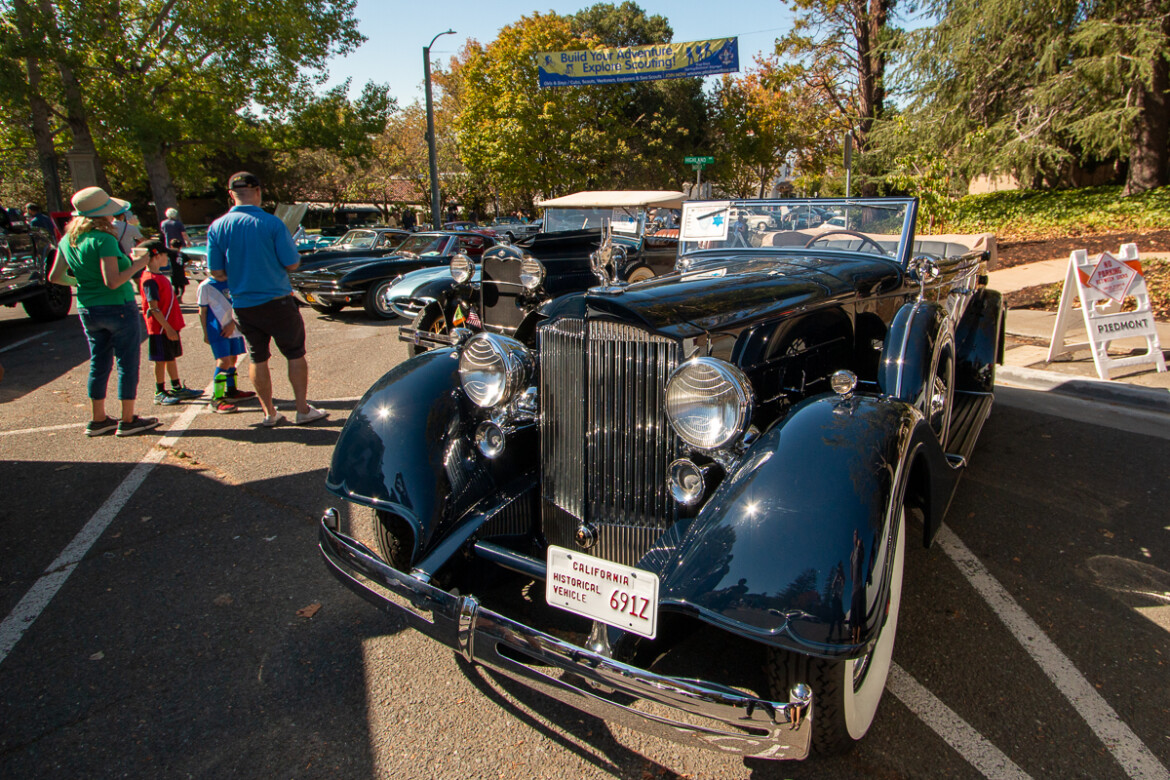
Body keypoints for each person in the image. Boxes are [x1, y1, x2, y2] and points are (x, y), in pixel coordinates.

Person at [206, 171, 327, 427]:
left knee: (256, 356)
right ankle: (302, 409)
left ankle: (270, 413)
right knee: (295, 354)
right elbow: (292, 262)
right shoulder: (271, 224)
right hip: (277, 300)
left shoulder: (217, 227)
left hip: (243, 303)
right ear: (259, 192)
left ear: (231, 195)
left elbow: (215, 271)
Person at [47, 186, 159, 436]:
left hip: (88, 307)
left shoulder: (67, 240)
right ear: (102, 214)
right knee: (126, 363)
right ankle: (127, 419)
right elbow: (113, 280)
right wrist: (139, 263)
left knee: (99, 362)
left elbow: (55, 276)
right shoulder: (104, 239)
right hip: (117, 305)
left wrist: (82, 282)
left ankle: (98, 418)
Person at [137, 239, 203, 406]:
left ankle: (176, 387)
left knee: (170, 357)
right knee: (161, 360)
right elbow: (153, 308)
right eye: (165, 254)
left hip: (168, 326)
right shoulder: (150, 279)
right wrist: (167, 328)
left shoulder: (158, 276)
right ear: (156, 256)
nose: (167, 257)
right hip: (160, 329)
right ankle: (159, 391)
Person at [196, 274, 257, 414]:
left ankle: (231, 390)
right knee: (223, 360)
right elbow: (202, 311)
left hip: (233, 327)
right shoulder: (205, 286)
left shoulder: (233, 281)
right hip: (218, 329)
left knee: (233, 358)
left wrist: (233, 323)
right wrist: (206, 333)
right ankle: (216, 397)